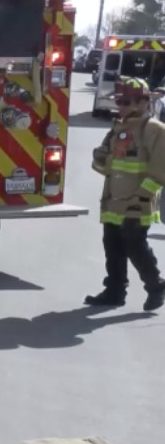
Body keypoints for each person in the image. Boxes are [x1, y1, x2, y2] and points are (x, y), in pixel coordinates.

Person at [85, 76, 165, 310]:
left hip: (137, 201)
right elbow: (106, 164)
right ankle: (115, 291)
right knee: (112, 245)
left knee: (135, 245)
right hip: (113, 200)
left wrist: (142, 195)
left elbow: (161, 168)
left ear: (142, 102)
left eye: (127, 101)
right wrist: (101, 158)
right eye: (119, 101)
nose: (121, 106)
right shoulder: (118, 128)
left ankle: (156, 286)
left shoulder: (155, 130)